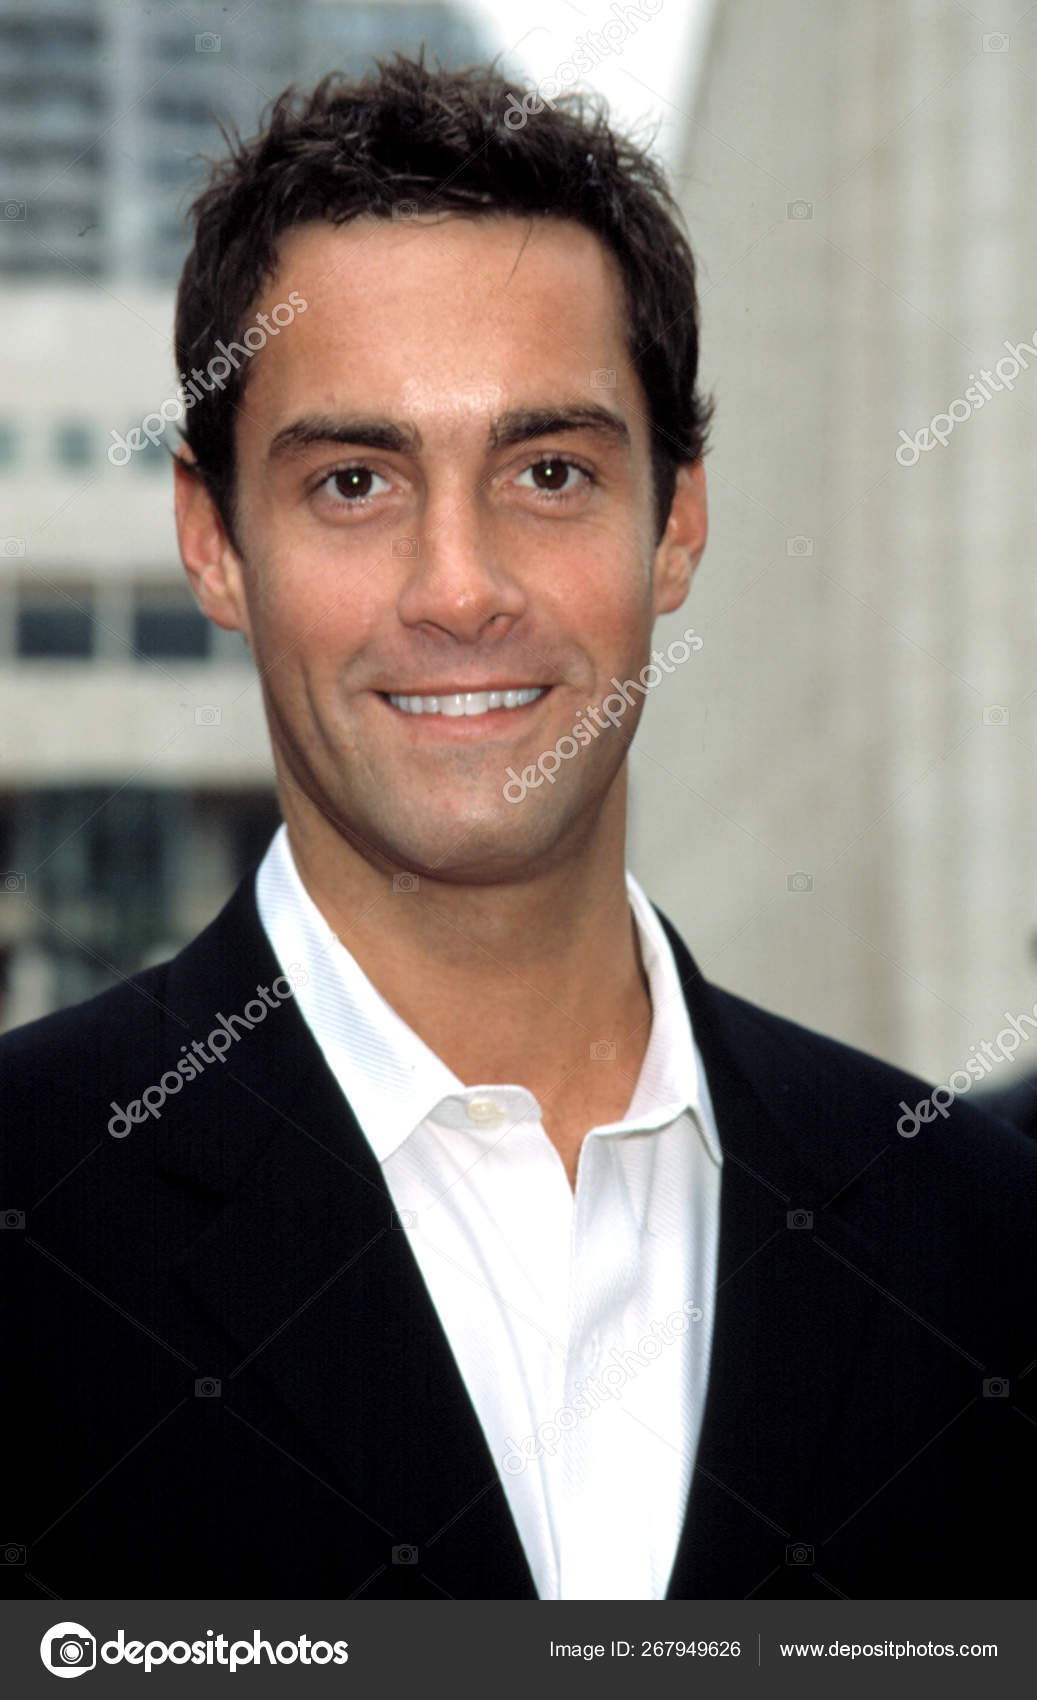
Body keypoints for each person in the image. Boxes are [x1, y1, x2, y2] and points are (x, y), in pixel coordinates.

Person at [2, 55, 1034, 1604]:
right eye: (354, 481)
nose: (460, 586)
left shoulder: (982, 1238)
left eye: (548, 472)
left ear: (675, 521)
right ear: (212, 543)